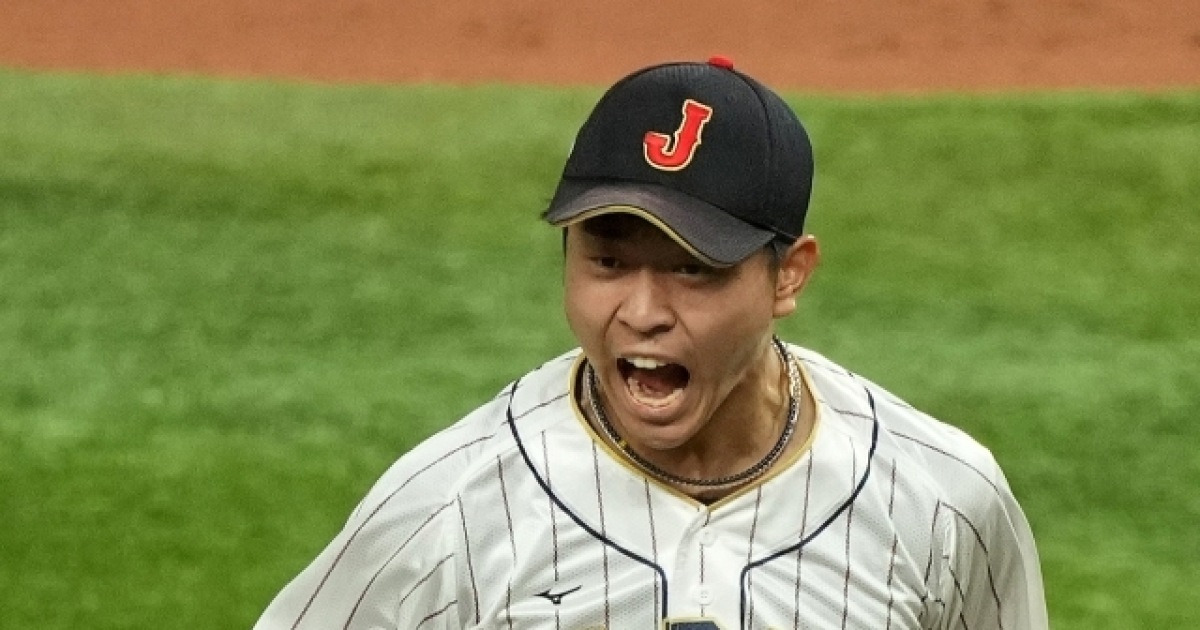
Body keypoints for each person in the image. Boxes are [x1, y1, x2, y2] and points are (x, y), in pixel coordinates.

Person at [253, 56, 1048, 630]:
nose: (641, 311)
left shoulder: (942, 500)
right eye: (607, 262)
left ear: (788, 276)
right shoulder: (450, 507)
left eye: (692, 269)